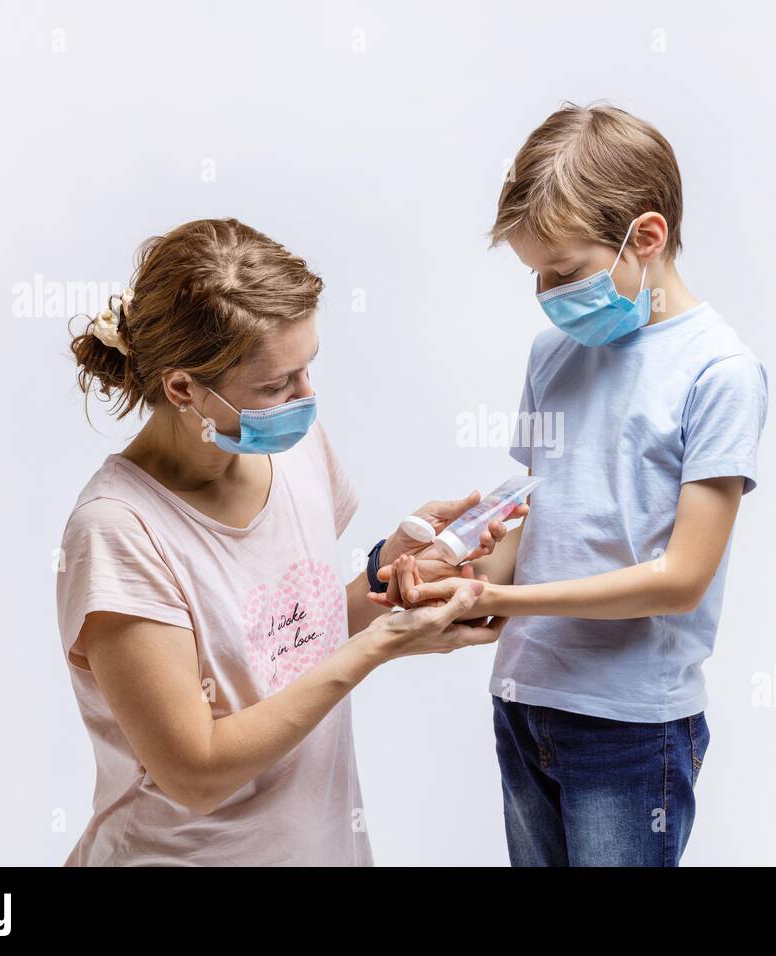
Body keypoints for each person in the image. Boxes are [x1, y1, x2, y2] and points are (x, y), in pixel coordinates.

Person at [376, 104, 769, 866]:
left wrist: (499, 601)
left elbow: (680, 579)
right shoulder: (552, 354)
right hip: (525, 702)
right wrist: (457, 575)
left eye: (565, 271)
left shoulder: (719, 373)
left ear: (645, 238)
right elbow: (537, 525)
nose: (548, 293)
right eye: (535, 274)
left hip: (630, 725)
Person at [56, 218, 519, 866]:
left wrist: (391, 574)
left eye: (307, 369)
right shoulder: (118, 533)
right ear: (183, 387)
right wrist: (382, 648)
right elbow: (197, 772)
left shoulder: (296, 451)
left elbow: (287, 639)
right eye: (277, 385)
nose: (306, 398)